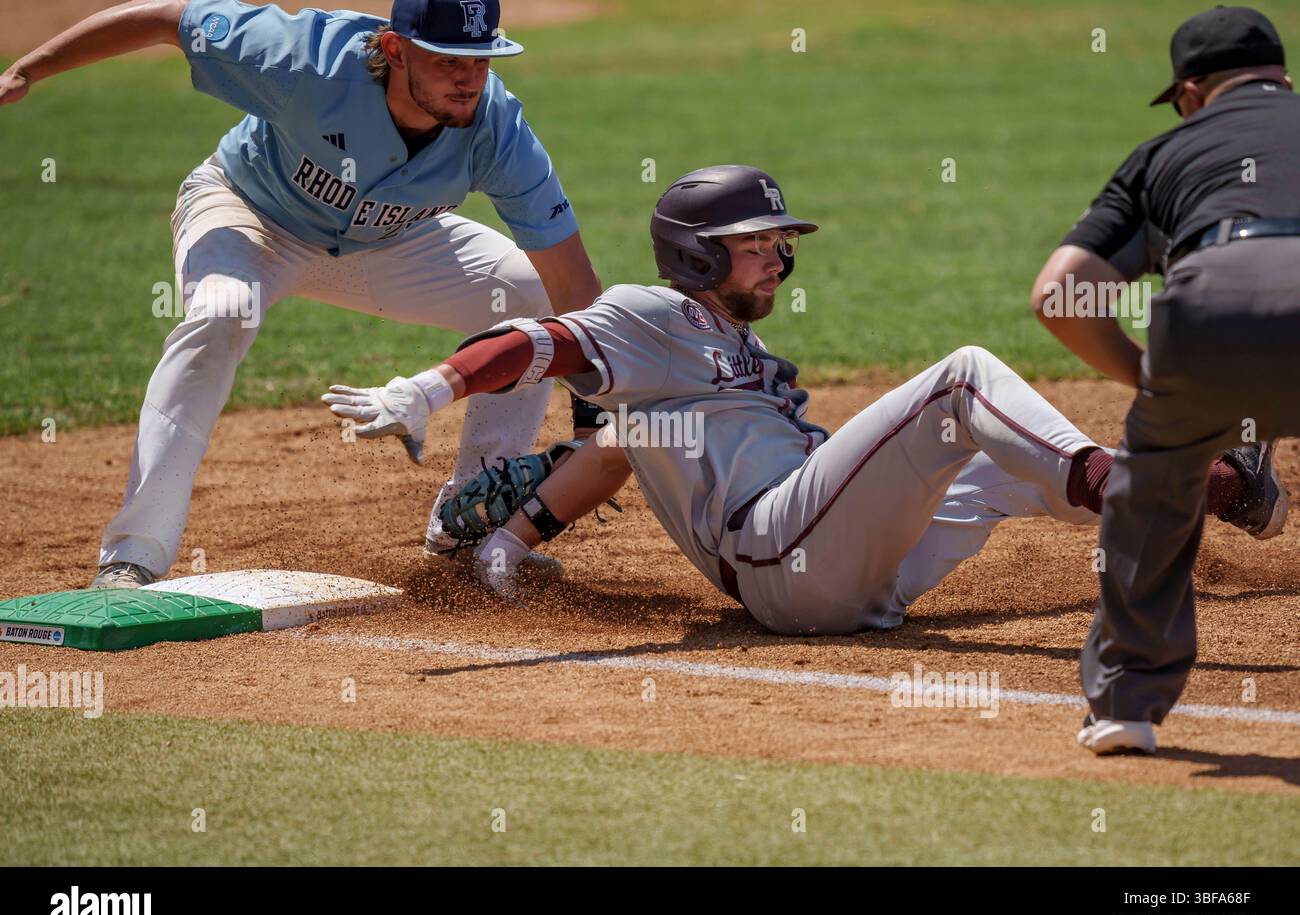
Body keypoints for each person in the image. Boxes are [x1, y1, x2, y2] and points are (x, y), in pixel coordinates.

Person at [324, 165, 1277, 668]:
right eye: (756, 246)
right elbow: (539, 343)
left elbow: (621, 446)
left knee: (989, 464)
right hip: (787, 560)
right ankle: (1111, 476)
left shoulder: (700, 371)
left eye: (781, 244)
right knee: (963, 380)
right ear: (696, 257)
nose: (777, 261)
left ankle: (1220, 485)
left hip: (841, 570)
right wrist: (428, 390)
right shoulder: (650, 316)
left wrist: (515, 537)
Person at [0, 0, 602, 588]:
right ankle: (132, 555)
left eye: (480, 60)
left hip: (392, 237)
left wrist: (599, 410)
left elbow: (572, 281)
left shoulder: (497, 127)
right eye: (447, 61)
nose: (468, 79)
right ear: (395, 49)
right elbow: (165, 19)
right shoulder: (302, 61)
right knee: (223, 313)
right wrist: (27, 71)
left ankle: (469, 524)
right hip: (252, 216)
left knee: (528, 290)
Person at [1031, 5, 1297, 755]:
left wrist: (1153, 384)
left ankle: (1126, 706)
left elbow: (1060, 292)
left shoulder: (1165, 152)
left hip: (1208, 316)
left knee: (1154, 487)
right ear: (1282, 76)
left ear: (1190, 91)